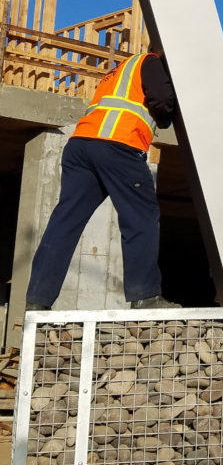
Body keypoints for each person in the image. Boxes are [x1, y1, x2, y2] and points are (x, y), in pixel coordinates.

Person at [25, 45, 179, 311]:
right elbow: (163, 100)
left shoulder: (118, 71)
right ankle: (145, 297)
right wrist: (168, 113)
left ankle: (38, 300)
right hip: (118, 143)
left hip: (81, 146)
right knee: (141, 218)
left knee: (65, 222)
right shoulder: (150, 62)